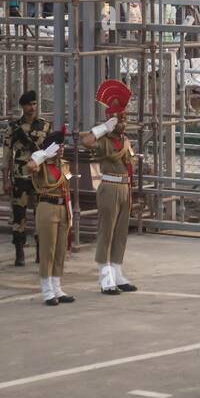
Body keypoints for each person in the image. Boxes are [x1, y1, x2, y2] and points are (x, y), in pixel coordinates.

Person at [79, 80, 137, 294]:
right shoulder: (106, 141)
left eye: (124, 118)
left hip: (124, 188)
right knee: (107, 232)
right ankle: (105, 276)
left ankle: (117, 272)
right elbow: (86, 142)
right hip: (109, 187)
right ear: (112, 119)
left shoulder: (126, 141)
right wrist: (104, 128)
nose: (124, 121)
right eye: (120, 118)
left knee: (121, 233)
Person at [25, 130, 75, 306]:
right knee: (48, 250)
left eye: (63, 145)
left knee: (60, 250)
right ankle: (47, 290)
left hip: (62, 207)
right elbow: (30, 167)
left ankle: (57, 288)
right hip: (47, 206)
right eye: (58, 145)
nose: (62, 148)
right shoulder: (42, 165)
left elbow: (67, 186)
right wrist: (43, 154)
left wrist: (69, 212)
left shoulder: (65, 165)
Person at [2, 89, 50, 268]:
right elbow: (7, 155)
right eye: (29, 104)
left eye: (35, 104)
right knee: (19, 215)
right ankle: (19, 251)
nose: (32, 107)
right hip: (20, 174)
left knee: (41, 214)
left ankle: (40, 250)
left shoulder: (45, 126)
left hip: (39, 175)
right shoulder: (14, 128)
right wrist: (5, 180)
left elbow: (49, 150)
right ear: (22, 106)